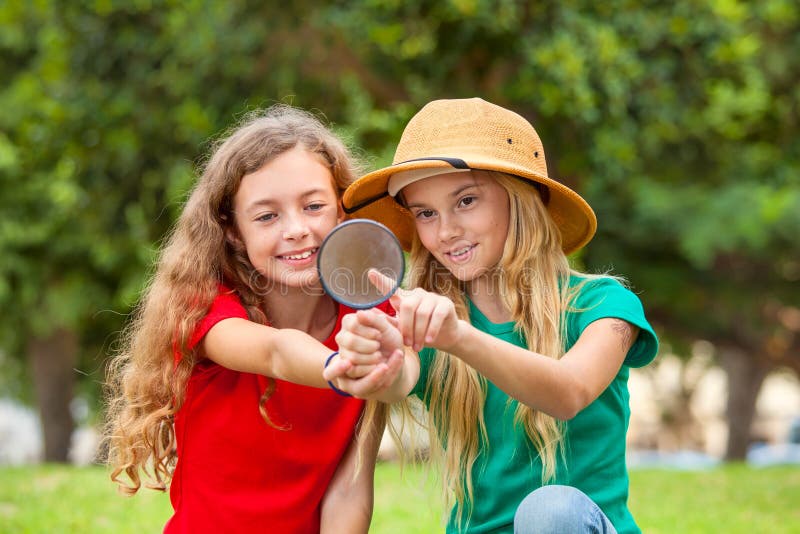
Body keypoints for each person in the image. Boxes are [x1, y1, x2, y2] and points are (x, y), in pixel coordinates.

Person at [325, 98, 660, 533]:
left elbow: (568, 393)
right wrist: (376, 357)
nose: (445, 231)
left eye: (466, 200)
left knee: (549, 512)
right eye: (426, 213)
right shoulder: (424, 320)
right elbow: (398, 377)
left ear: (519, 199)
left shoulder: (604, 306)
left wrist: (458, 337)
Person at [104, 104, 399, 534]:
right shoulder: (203, 306)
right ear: (231, 229)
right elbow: (276, 352)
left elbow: (351, 486)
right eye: (267, 216)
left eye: (313, 206)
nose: (296, 228)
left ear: (342, 208)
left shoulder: (368, 313)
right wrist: (342, 366)